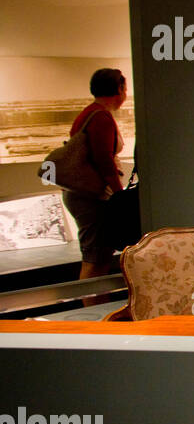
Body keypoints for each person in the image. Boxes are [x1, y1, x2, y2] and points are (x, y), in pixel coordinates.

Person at [63, 68, 128, 281]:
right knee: (95, 257)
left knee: (96, 254)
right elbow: (104, 161)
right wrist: (120, 195)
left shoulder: (92, 113)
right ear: (119, 89)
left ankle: (93, 305)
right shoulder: (100, 116)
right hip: (90, 197)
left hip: (84, 194)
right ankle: (92, 308)